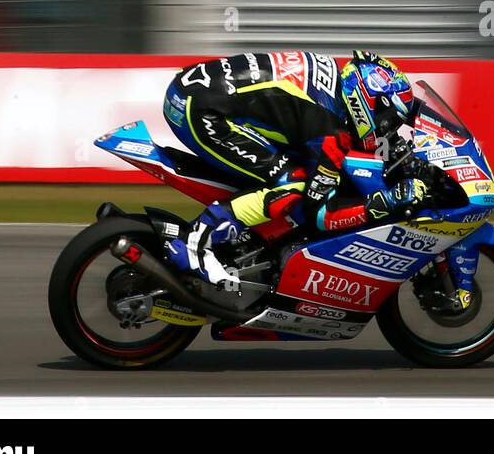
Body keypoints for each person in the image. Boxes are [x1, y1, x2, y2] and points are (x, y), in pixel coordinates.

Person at [160, 49, 426, 286]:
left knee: (295, 162)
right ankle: (194, 244)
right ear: (365, 104)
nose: (387, 129)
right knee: (294, 184)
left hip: (197, 87)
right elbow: (321, 214)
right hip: (201, 111)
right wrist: (384, 203)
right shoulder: (328, 128)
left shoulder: (335, 75)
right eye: (387, 121)